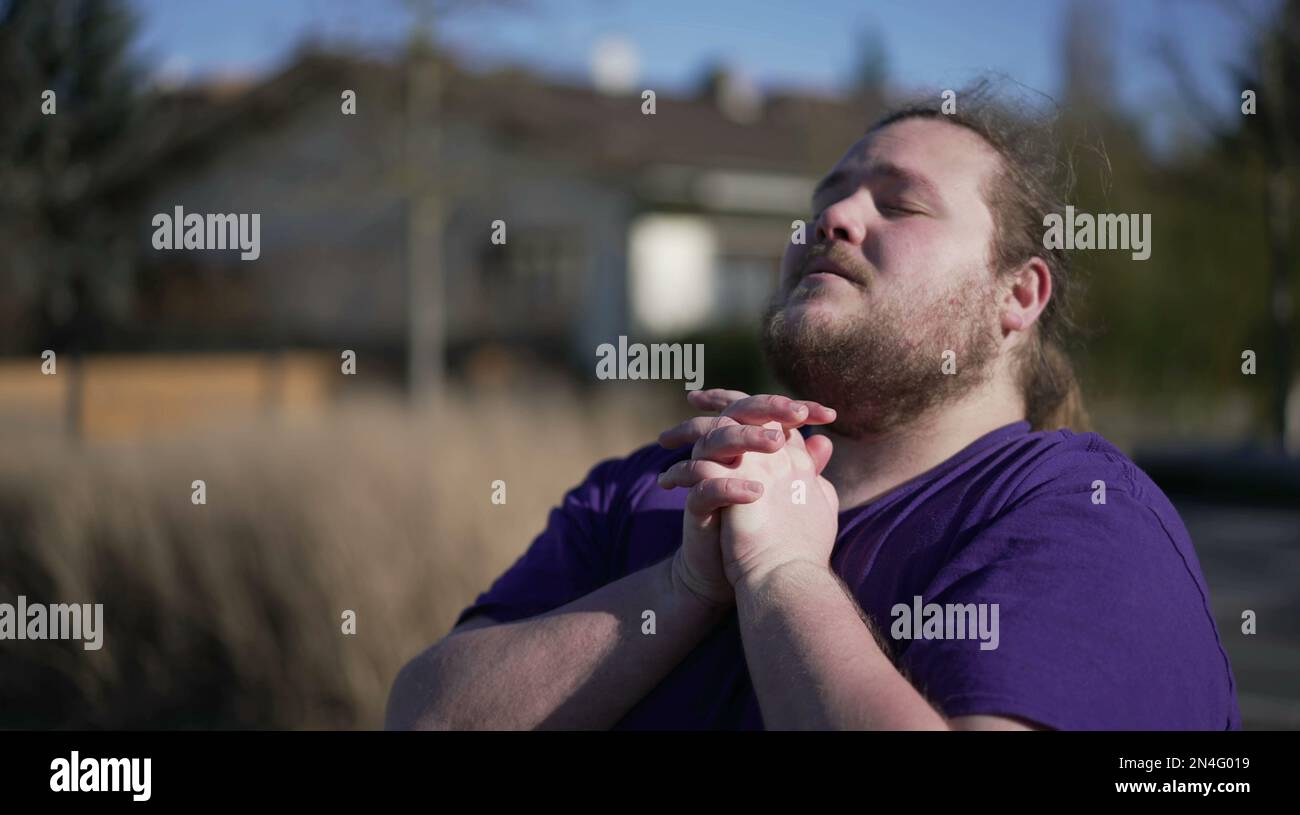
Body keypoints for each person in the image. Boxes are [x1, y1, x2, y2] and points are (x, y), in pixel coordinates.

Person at [385, 85, 1241, 731]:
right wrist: (684, 584)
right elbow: (424, 714)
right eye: (822, 201)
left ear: (1018, 294)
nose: (831, 216)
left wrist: (784, 576)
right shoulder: (652, 488)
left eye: (899, 202)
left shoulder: (1079, 515)